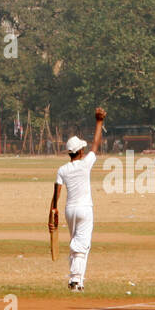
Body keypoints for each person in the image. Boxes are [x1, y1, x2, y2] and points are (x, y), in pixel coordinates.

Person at [48, 108, 105, 292]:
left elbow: (56, 193)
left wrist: (52, 212)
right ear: (80, 151)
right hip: (84, 209)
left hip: (69, 210)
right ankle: (74, 280)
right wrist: (99, 122)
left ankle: (78, 281)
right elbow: (96, 144)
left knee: (76, 243)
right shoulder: (85, 164)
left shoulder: (62, 169)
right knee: (81, 245)